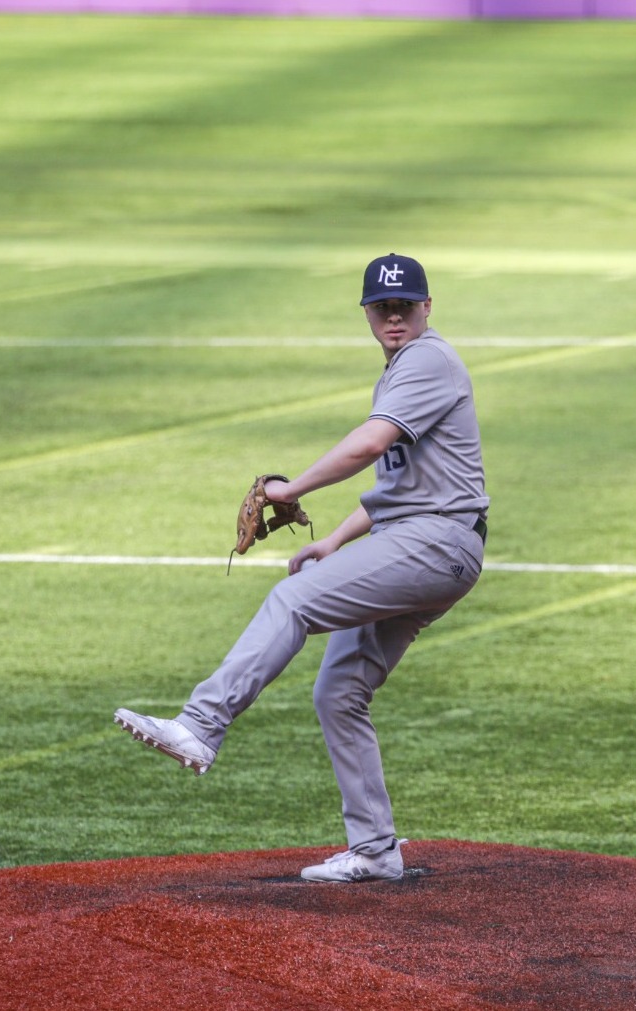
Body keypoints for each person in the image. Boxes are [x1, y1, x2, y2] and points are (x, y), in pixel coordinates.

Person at [114, 253, 488, 884]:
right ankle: (374, 848)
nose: (394, 317)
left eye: (405, 306)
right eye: (382, 307)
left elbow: (370, 444)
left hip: (433, 543)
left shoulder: (427, 360)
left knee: (294, 602)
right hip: (429, 540)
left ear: (427, 307)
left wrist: (291, 490)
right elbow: (397, 484)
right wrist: (335, 539)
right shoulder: (405, 370)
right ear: (368, 313)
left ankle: (201, 726)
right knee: (339, 691)